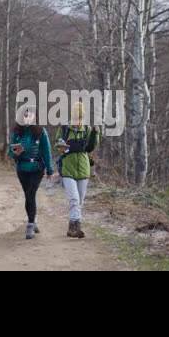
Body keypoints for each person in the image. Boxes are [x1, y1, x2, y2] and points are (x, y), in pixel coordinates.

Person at [54, 102, 100, 239]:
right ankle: (76, 226)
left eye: (80, 117)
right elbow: (58, 146)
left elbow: (90, 147)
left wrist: (95, 134)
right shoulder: (64, 129)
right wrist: (68, 147)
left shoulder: (87, 129)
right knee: (74, 199)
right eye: (75, 117)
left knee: (79, 201)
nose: (77, 120)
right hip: (68, 169)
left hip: (84, 170)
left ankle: (71, 226)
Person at [8, 107, 54, 240]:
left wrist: (50, 169)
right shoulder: (17, 132)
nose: (28, 118)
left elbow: (47, 151)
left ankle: (30, 224)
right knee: (28, 195)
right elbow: (10, 151)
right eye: (25, 116)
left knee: (30, 193)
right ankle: (32, 220)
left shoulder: (41, 132)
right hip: (22, 168)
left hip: (37, 168)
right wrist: (15, 152)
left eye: (30, 116)